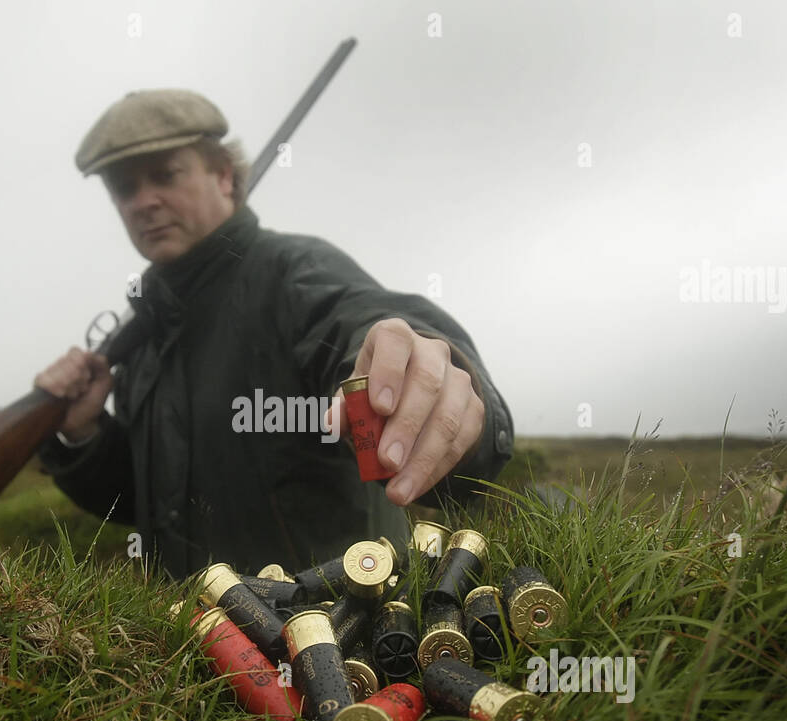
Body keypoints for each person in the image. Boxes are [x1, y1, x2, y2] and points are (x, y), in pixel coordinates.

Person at [34, 89, 515, 578]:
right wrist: (85, 434)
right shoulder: (145, 341)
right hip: (190, 641)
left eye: (165, 175)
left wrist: (423, 367)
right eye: (124, 188)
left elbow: (357, 317)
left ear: (223, 174)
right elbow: (150, 503)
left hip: (338, 633)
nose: (143, 203)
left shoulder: (296, 271)